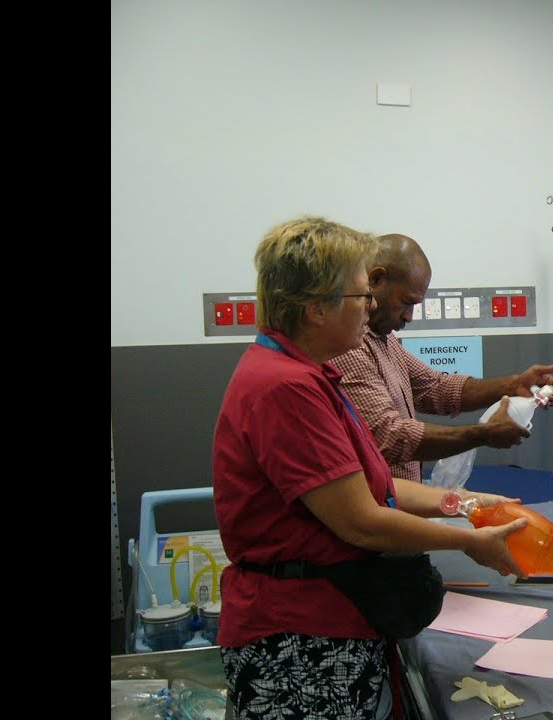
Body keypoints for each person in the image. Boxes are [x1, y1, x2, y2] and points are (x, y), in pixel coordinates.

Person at [212, 216, 530, 720]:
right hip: (300, 635)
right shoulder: (284, 388)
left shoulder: (311, 374)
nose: (373, 308)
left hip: (332, 617)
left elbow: (377, 489)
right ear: (317, 307)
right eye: (363, 296)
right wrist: (470, 540)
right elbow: (361, 520)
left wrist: (470, 505)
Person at [333, 233, 553, 483]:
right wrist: (483, 435)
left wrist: (514, 384)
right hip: (379, 505)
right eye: (406, 303)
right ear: (376, 280)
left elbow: (436, 388)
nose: (409, 317)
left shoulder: (383, 337)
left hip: (398, 500)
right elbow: (388, 437)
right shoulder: (349, 345)